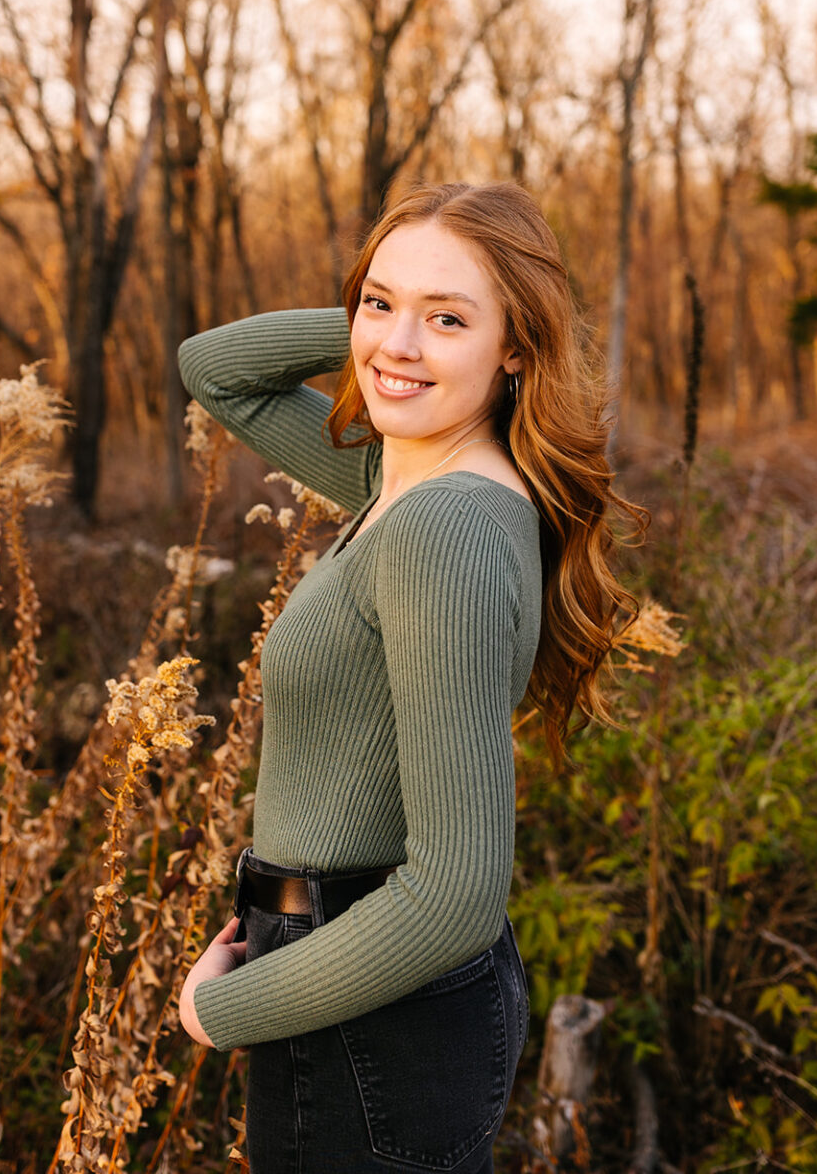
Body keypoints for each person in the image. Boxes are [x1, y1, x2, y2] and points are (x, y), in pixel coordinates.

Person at [176, 181, 640, 1174]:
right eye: (379, 300)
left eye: (449, 320)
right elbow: (217, 371)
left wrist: (220, 1012)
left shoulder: (442, 524)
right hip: (358, 983)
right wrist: (387, 328)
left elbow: (455, 892)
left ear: (516, 347)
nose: (398, 344)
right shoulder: (401, 481)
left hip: (372, 1006)